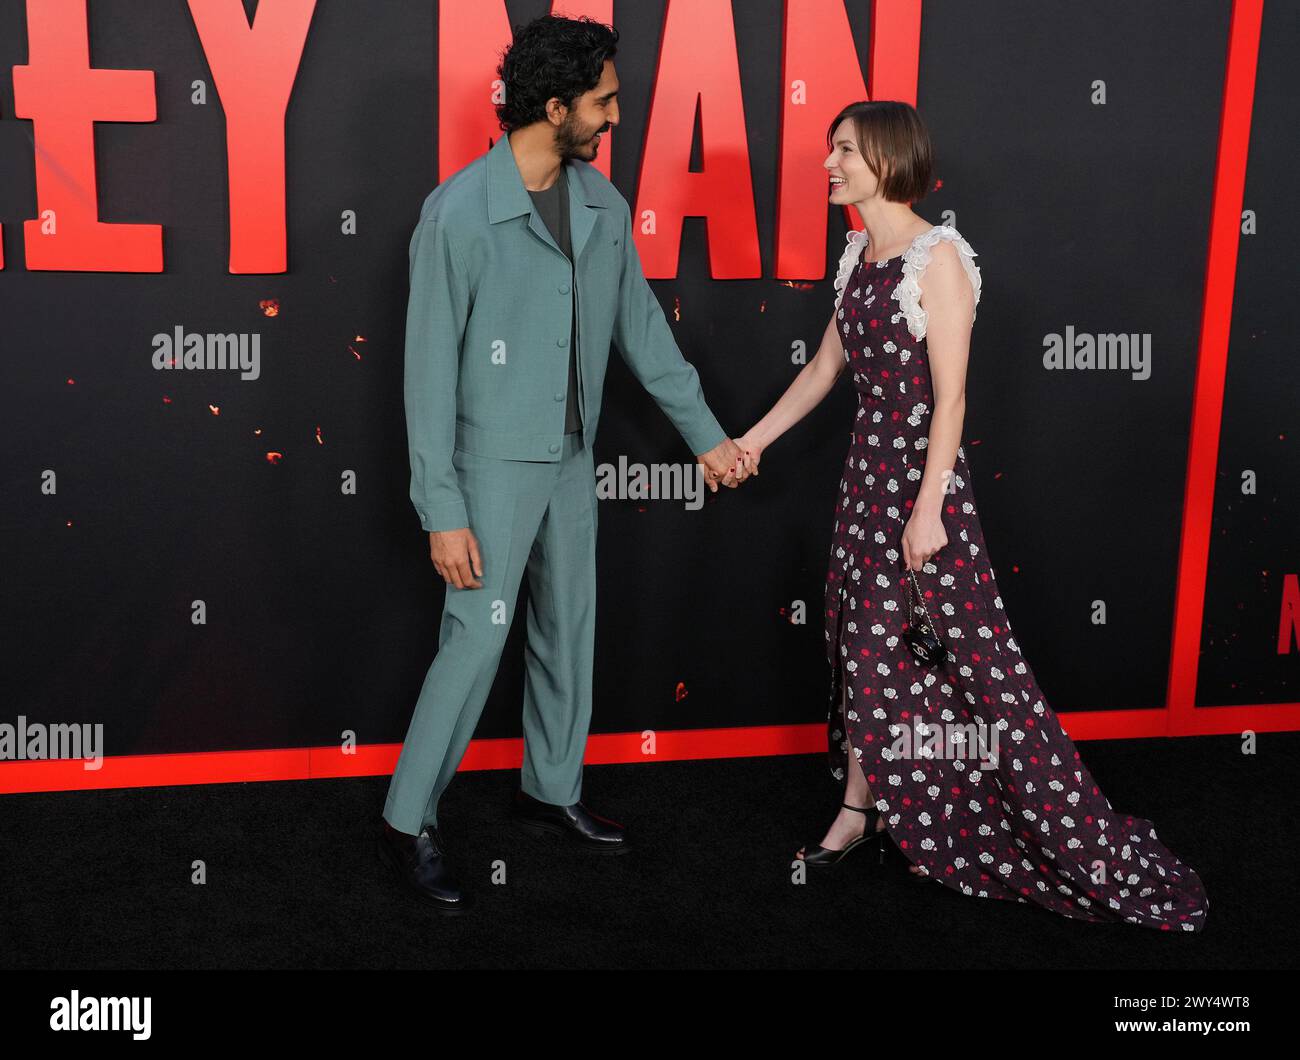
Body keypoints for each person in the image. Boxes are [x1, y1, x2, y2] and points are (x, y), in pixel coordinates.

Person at [734, 100, 1208, 932]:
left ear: (885, 157)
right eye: (831, 148)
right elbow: (825, 371)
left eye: (842, 149)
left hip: (923, 491)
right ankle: (863, 807)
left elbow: (950, 399)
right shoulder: (855, 255)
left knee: (962, 664)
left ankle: (949, 813)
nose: (828, 164)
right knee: (863, 648)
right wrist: (755, 440)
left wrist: (927, 512)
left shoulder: (939, 258)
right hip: (863, 483)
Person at [379, 14, 749, 913]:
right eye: (604, 101)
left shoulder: (603, 208)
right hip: (488, 472)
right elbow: (426, 375)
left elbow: (644, 339)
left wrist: (707, 437)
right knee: (476, 643)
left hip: (573, 461)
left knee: (568, 631)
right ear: (555, 107)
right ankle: (407, 820)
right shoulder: (458, 213)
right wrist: (443, 507)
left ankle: (551, 791)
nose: (616, 116)